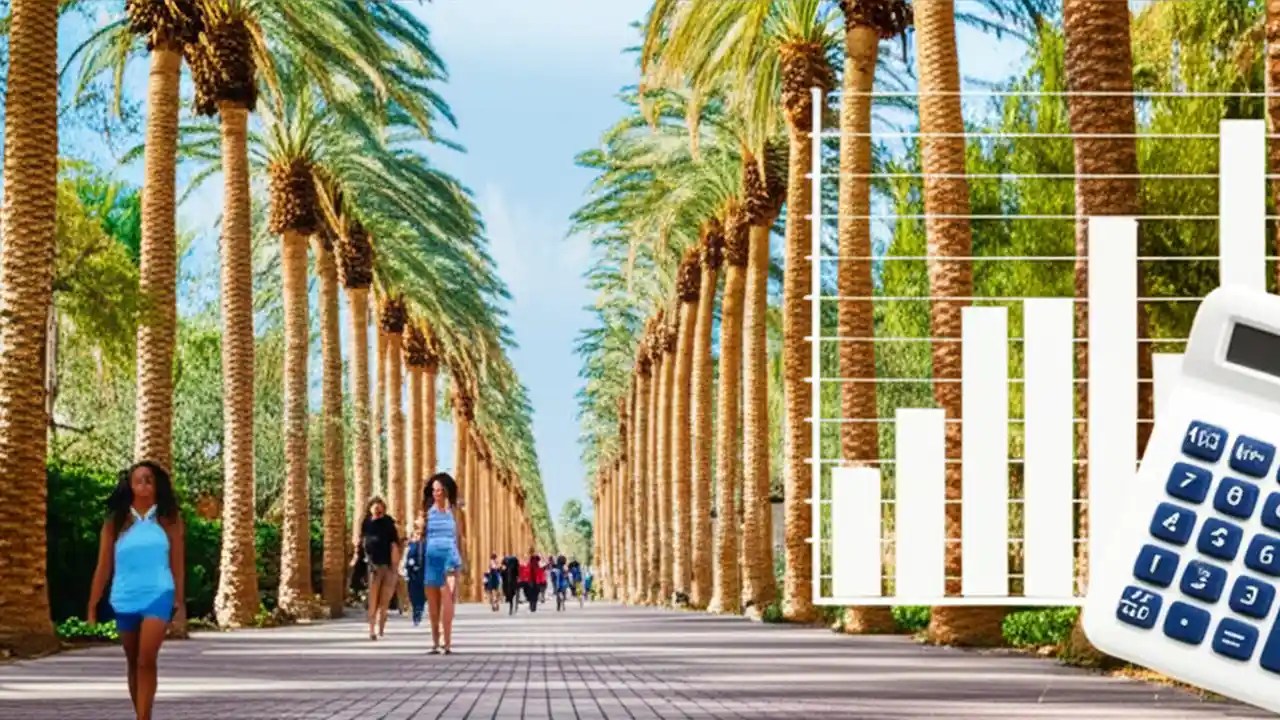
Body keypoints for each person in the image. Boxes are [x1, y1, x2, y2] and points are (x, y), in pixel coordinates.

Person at [87, 461, 184, 720]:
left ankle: (144, 718)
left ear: (156, 485)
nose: (143, 485)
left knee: (146, 659)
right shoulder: (115, 522)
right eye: (138, 480)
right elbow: (103, 565)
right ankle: (140, 713)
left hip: (159, 594)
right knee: (132, 661)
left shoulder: (169, 520)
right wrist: (93, 604)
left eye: (149, 480)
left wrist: (179, 602)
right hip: (124, 597)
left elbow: (177, 563)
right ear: (129, 485)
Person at [422, 472, 465, 654]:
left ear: (446, 491)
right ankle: (435, 642)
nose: (436, 493)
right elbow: (421, 536)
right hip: (431, 558)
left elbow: (460, 537)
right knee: (433, 603)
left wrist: (464, 561)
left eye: (439, 490)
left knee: (447, 600)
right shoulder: (425, 513)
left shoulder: (455, 512)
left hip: (449, 558)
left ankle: (447, 642)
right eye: (434, 490)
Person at [354, 496, 401, 640]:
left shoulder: (388, 522)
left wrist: (395, 565)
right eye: (374, 508)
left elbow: (394, 543)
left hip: (387, 565)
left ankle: (381, 624)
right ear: (370, 508)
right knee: (373, 597)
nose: (377, 511)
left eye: (380, 508)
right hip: (372, 565)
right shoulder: (366, 523)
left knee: (385, 598)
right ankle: (372, 629)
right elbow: (361, 542)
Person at [400, 517, 427, 626]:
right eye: (417, 534)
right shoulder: (411, 545)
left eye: (421, 534)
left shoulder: (427, 544)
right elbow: (405, 558)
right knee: (413, 593)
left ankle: (419, 609)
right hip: (412, 573)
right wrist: (405, 569)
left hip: (424, 572)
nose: (419, 537)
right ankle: (416, 610)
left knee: (422, 594)